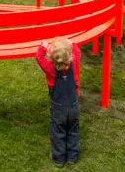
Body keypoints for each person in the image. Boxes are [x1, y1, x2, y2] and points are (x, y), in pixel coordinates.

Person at [36, 38, 80, 168]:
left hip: (58, 109)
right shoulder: (75, 63)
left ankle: (59, 159)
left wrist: (43, 46)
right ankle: (72, 157)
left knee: (58, 132)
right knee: (73, 130)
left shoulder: (49, 68)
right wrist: (70, 42)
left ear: (52, 56)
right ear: (70, 54)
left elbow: (39, 57)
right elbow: (77, 52)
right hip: (74, 106)